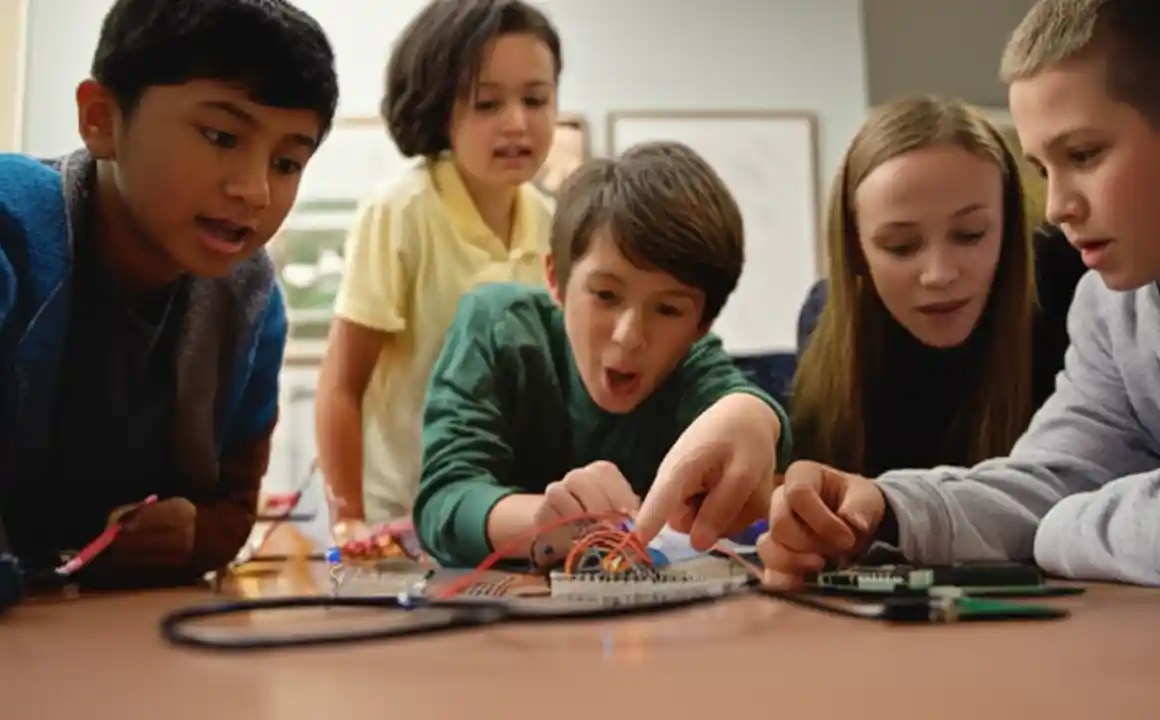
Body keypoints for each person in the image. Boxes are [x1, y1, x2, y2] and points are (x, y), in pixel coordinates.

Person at [759, 0, 1160, 592]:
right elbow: (1057, 475)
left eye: (1083, 155)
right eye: (1043, 169)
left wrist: (1060, 529)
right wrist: (888, 509)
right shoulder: (1117, 295)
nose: (1057, 209)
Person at [0, 0, 338, 585]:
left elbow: (232, 511)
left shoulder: (250, 304)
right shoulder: (14, 230)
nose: (255, 190)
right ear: (102, 119)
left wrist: (190, 534)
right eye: (220, 135)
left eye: (287, 162)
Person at [414, 141, 791, 567]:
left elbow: (739, 407)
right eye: (606, 295)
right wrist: (546, 521)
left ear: (701, 323)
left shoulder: (692, 367)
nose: (629, 336)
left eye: (668, 309)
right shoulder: (497, 327)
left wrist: (758, 415)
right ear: (556, 279)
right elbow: (444, 498)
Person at [315, 0, 561, 540]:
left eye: (536, 99)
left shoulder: (557, 224)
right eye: (488, 102)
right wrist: (348, 520)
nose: (517, 122)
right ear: (439, 107)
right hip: (402, 526)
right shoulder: (401, 213)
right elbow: (341, 386)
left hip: (512, 524)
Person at [790, 96, 1086, 478]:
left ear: (1010, 231)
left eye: (969, 235)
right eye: (901, 246)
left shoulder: (1070, 289)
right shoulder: (826, 318)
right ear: (856, 249)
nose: (939, 274)